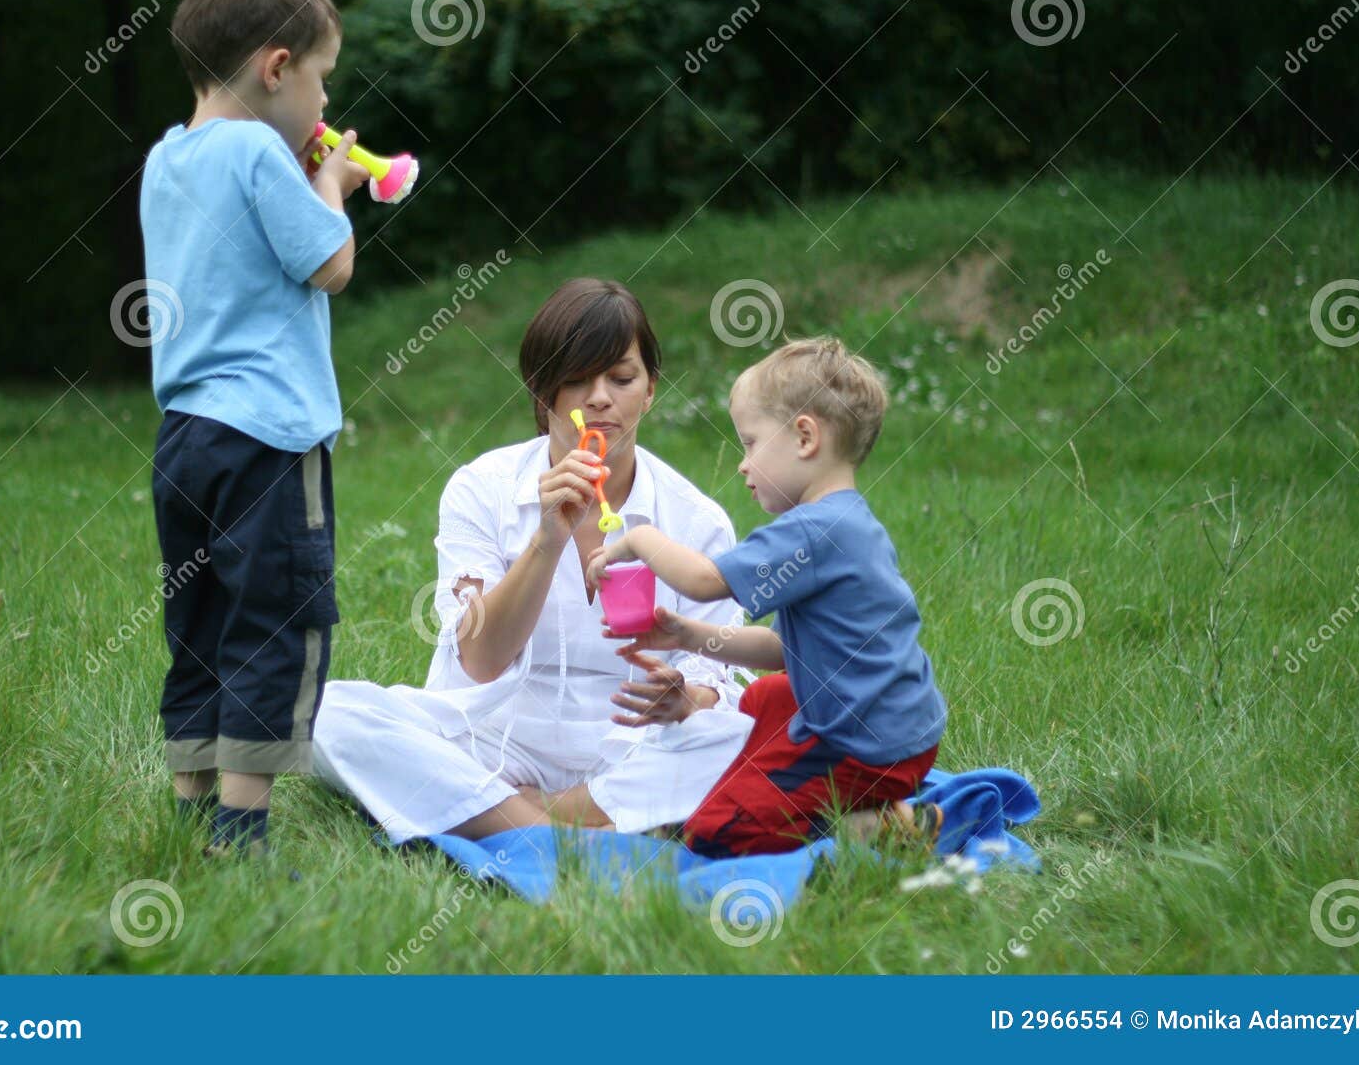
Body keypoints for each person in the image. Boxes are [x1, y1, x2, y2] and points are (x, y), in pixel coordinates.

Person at [311, 280, 754, 841]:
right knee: (330, 713)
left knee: (744, 735)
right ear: (542, 394)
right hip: (497, 735)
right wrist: (547, 539)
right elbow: (478, 659)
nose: (599, 398)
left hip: (630, 743)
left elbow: (721, 672)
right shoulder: (481, 490)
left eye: (621, 378)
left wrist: (687, 697)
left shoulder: (696, 519)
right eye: (575, 379)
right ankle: (577, 831)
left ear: (650, 391)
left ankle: (519, 819)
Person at [141, 0, 369, 856]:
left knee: (198, 618)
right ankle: (243, 829)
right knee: (277, 615)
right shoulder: (256, 152)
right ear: (277, 67)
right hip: (271, 436)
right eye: (320, 80)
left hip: (186, 436)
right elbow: (330, 262)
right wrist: (334, 186)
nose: (321, 105)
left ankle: (192, 806)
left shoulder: (169, 156)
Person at [586, 337, 948, 855]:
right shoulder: (852, 522)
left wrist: (637, 537)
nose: (742, 464)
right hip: (898, 723)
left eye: (751, 443)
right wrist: (690, 635)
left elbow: (703, 580)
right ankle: (873, 805)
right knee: (760, 698)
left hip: (863, 744)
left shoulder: (809, 531)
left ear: (804, 437)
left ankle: (883, 827)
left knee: (721, 829)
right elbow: (788, 651)